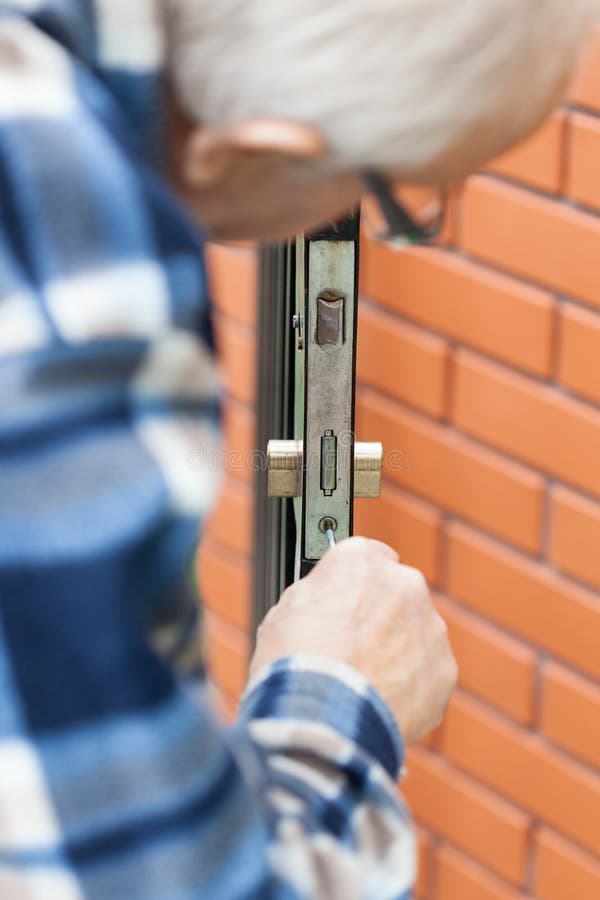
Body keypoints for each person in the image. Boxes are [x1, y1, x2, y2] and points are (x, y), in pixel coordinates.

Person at [0, 1, 595, 898]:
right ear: (257, 149)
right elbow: (163, 882)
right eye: (390, 193)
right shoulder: (61, 235)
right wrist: (341, 701)